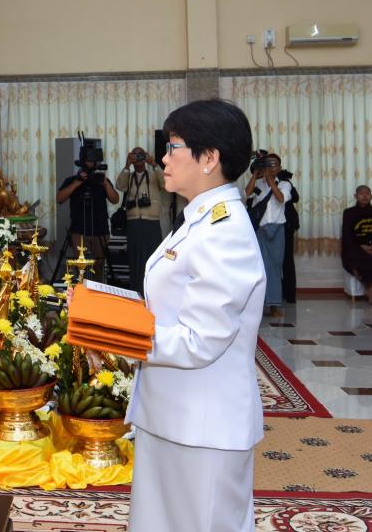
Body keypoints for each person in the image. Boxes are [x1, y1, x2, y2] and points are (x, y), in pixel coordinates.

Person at [127, 99, 265, 532]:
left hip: (204, 427)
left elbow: (200, 340)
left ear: (209, 158)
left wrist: (117, 335)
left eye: (173, 147)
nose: (163, 158)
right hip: (172, 416)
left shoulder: (225, 232)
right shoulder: (198, 219)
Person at [56, 144, 119, 281]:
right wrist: (77, 183)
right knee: (80, 265)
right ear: (83, 161)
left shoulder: (102, 181)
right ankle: (81, 291)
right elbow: (59, 198)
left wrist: (105, 183)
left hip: (100, 229)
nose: (92, 163)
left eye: (94, 161)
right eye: (89, 160)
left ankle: (97, 292)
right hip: (79, 229)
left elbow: (115, 200)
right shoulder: (72, 180)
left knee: (99, 264)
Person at [245, 152, 292, 318]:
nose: (271, 168)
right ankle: (259, 305)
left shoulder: (285, 184)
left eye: (274, 165)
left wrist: (271, 180)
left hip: (277, 229)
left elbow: (281, 199)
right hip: (260, 230)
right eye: (268, 165)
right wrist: (256, 175)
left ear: (279, 167)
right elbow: (247, 193)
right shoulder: (259, 183)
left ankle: (275, 305)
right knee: (260, 268)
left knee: (275, 267)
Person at [116, 146, 166, 293]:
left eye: (140, 155)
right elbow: (120, 185)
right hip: (133, 223)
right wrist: (126, 166)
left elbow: (165, 183)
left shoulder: (152, 174)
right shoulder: (129, 176)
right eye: (134, 155)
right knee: (135, 258)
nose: (137, 157)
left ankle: (152, 291)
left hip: (151, 222)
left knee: (152, 257)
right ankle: (136, 291)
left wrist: (155, 164)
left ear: (145, 157)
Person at [278, 168, 300, 303]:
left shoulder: (284, 182)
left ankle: (289, 294)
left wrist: (285, 181)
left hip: (286, 225)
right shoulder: (261, 180)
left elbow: (295, 198)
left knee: (287, 260)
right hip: (265, 224)